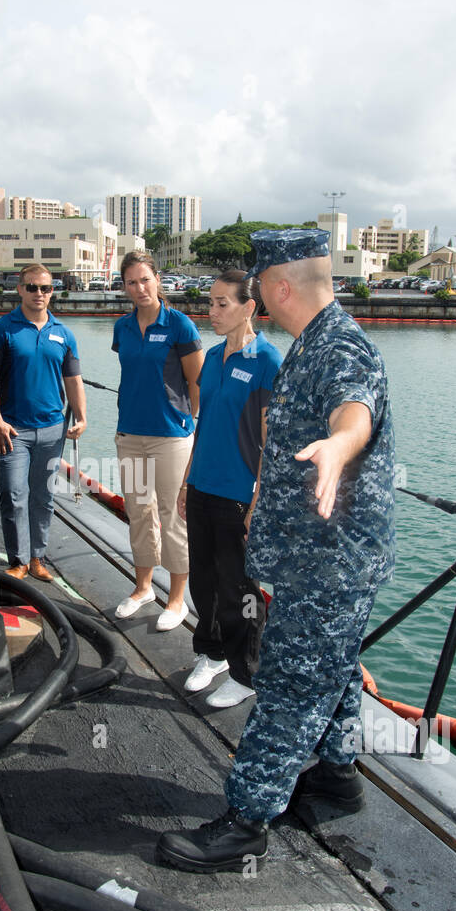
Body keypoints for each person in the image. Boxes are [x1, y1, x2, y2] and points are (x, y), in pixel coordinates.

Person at [157, 228, 395, 871]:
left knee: (291, 680)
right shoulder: (310, 345)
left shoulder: (339, 349)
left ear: (279, 286)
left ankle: (246, 819)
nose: (255, 296)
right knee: (336, 666)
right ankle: (339, 774)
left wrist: (339, 448)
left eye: (259, 285)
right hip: (314, 554)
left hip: (330, 562)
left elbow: (355, 412)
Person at [177, 271, 282, 707]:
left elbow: (270, 439)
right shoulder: (215, 357)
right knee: (203, 580)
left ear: (249, 308)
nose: (212, 312)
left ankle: (246, 672)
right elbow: (204, 428)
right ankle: (213, 653)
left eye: (222, 303)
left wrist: (259, 500)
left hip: (239, 494)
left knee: (240, 589)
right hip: (202, 485)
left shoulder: (266, 362)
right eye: (211, 303)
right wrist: (186, 481)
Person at [111, 252, 203, 629]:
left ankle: (177, 599)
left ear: (157, 280)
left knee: (173, 516)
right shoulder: (122, 327)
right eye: (132, 282)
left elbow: (196, 385)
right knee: (139, 513)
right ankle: (143, 587)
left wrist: (189, 423)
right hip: (131, 434)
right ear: (125, 287)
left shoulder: (180, 325)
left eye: (145, 279)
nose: (139, 288)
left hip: (170, 437)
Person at [0, 264, 87, 581]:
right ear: (19, 289)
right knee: (13, 495)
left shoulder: (63, 333)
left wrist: (82, 417)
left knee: (43, 497)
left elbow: (73, 380)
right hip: (13, 431)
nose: (39, 294)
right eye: (32, 287)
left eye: (45, 288)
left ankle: (37, 558)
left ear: (52, 291)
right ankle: (18, 560)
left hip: (52, 429)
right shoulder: (4, 329)